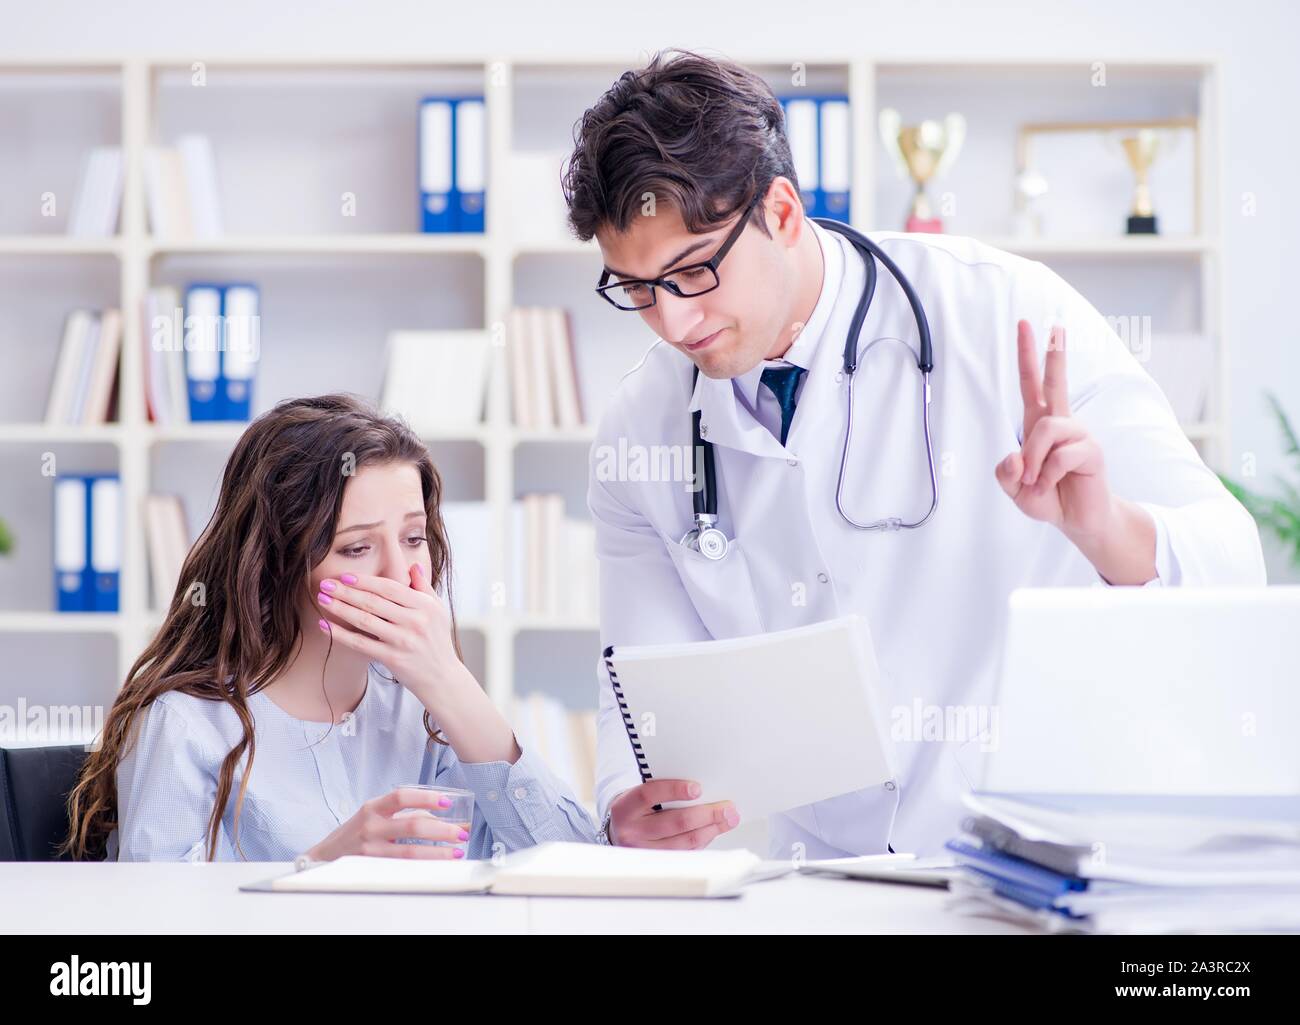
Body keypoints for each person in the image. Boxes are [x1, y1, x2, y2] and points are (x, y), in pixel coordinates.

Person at [563, 50, 1266, 858]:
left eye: (693, 272)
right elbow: (644, 691)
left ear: (781, 213)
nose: (674, 323)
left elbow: (1234, 564)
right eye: (637, 289)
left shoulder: (1002, 313)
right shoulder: (640, 429)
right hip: (826, 881)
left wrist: (1107, 528)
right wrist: (628, 802)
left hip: (1031, 862)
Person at [64, 394, 597, 862]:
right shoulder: (188, 726)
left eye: (414, 539)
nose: (398, 575)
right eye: (357, 548)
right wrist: (317, 867)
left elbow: (572, 872)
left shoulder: (427, 715)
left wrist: (452, 684)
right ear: (276, 562)